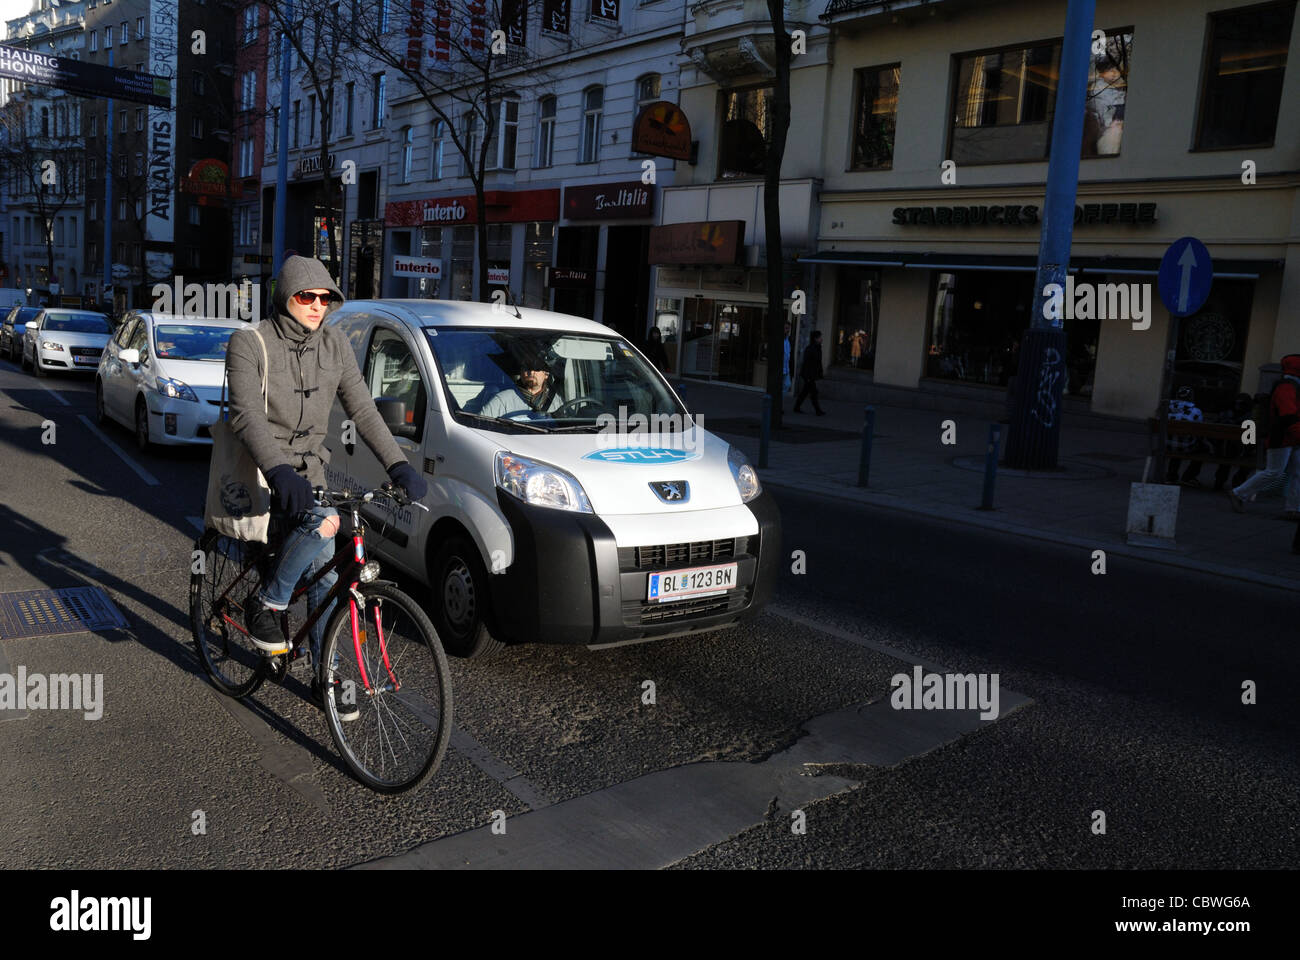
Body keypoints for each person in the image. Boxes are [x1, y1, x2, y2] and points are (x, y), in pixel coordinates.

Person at [226, 255, 429, 717]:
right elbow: (245, 415)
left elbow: (363, 411)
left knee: (327, 576)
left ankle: (326, 676)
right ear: (285, 297)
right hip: (261, 470)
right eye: (306, 296)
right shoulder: (249, 343)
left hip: (310, 472)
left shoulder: (335, 345)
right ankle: (266, 603)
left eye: (325, 297)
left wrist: (398, 465)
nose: (317, 305)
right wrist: (278, 470)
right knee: (324, 526)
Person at [1228, 354, 1300, 519]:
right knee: (1274, 472)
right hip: (1283, 436)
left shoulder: (1288, 386)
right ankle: (1238, 493)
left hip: (1287, 435)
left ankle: (1294, 508)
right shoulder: (1288, 388)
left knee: (1285, 472)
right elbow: (1288, 415)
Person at [478, 351, 563, 420]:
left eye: (537, 368)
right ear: (521, 373)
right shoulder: (502, 400)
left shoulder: (556, 401)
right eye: (527, 368)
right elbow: (481, 426)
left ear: (546, 374)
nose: (531, 372)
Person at [1163, 386, 1205, 485]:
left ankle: (1171, 476)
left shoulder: (1165, 408)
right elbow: (1200, 430)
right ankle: (1188, 477)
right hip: (1186, 446)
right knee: (1202, 449)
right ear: (1191, 397)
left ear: (1177, 395)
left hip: (1166, 445)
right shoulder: (1196, 412)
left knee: (1176, 442)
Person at [793, 329, 826, 416]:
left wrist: (820, 373)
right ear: (815, 339)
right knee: (813, 393)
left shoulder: (818, 348)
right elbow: (806, 363)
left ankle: (797, 407)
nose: (821, 339)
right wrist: (807, 376)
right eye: (819, 337)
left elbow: (818, 363)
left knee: (805, 391)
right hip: (808, 375)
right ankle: (818, 410)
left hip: (812, 375)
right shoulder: (810, 349)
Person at [782, 321, 792, 396]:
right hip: (780, 368)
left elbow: (788, 354)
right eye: (786, 328)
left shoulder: (788, 340)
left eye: (788, 328)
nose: (787, 330)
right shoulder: (780, 340)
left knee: (787, 385)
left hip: (786, 368)